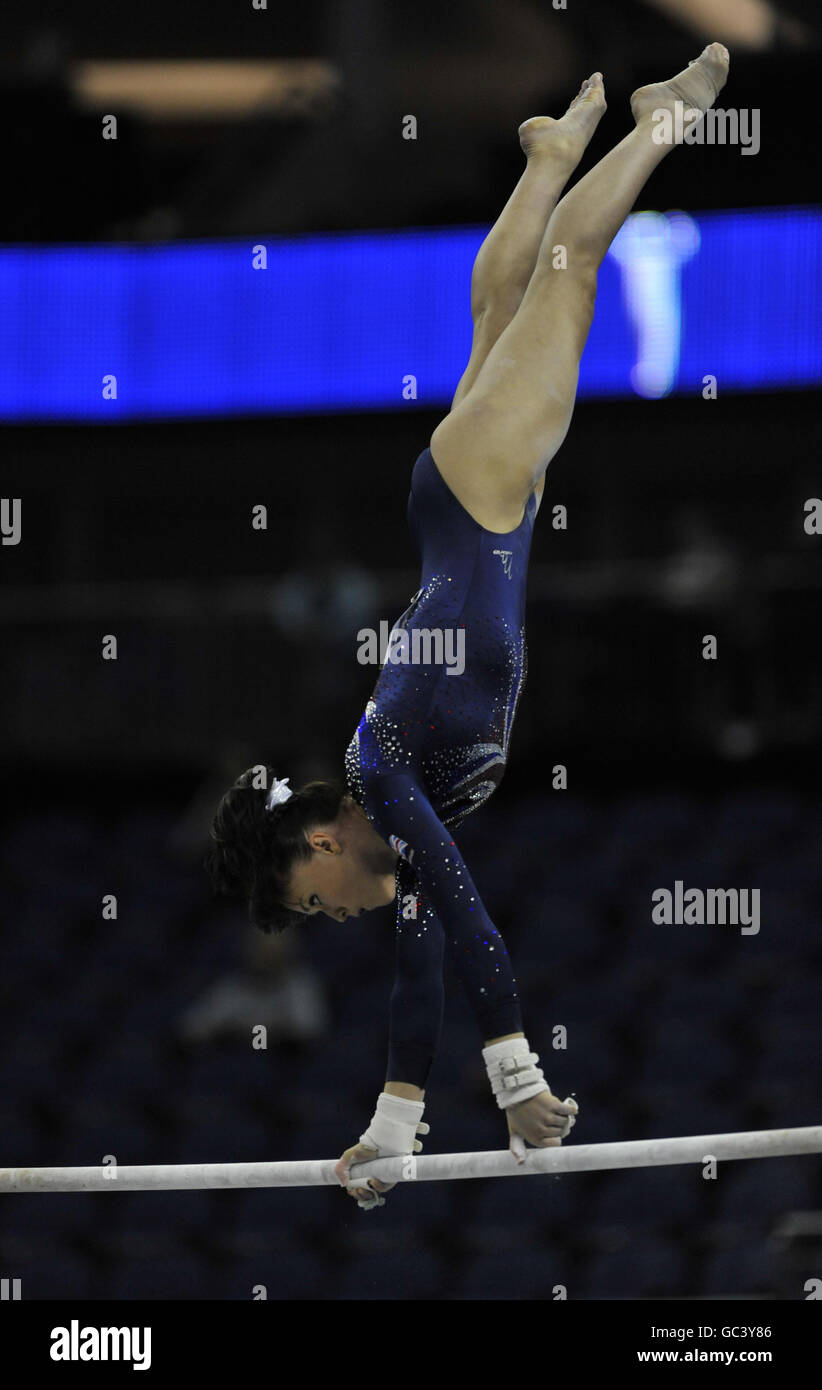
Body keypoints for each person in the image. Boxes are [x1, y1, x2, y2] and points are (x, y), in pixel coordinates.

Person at [206, 45, 731, 1209]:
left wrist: (515, 1071)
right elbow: (426, 947)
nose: (330, 916)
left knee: (570, 273)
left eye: (310, 899)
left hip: (480, 494)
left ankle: (665, 119)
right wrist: (395, 1126)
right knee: (508, 300)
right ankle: (548, 158)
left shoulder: (381, 766)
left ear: (320, 844)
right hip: (473, 504)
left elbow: (464, 913)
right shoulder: (396, 804)